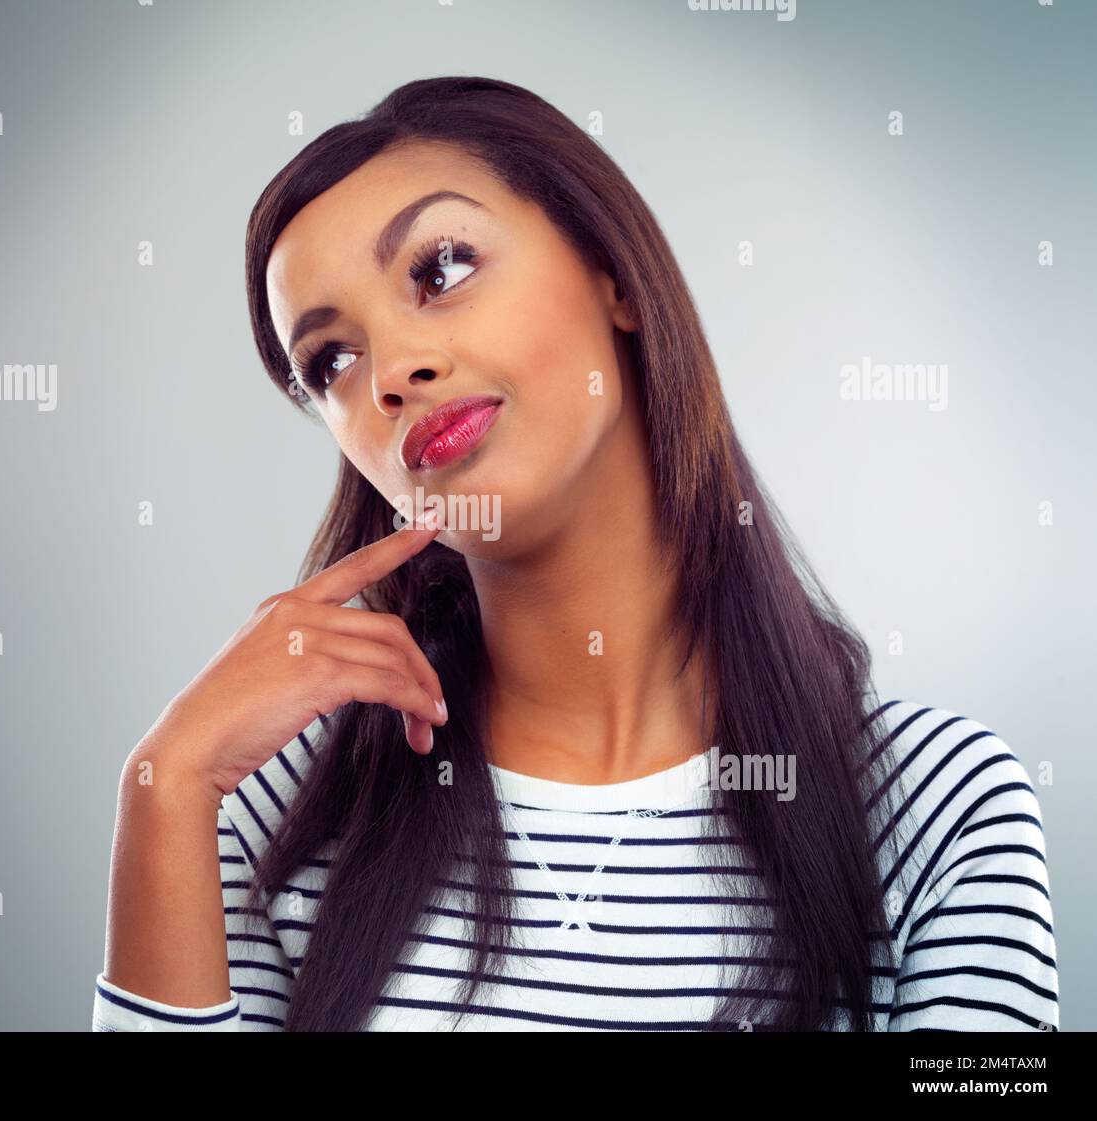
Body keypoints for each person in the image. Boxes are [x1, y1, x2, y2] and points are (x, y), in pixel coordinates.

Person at [93, 76, 1058, 1032]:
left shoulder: (940, 811)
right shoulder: (270, 815)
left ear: (617, 278)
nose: (392, 373)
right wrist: (165, 784)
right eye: (331, 362)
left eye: (440, 269)